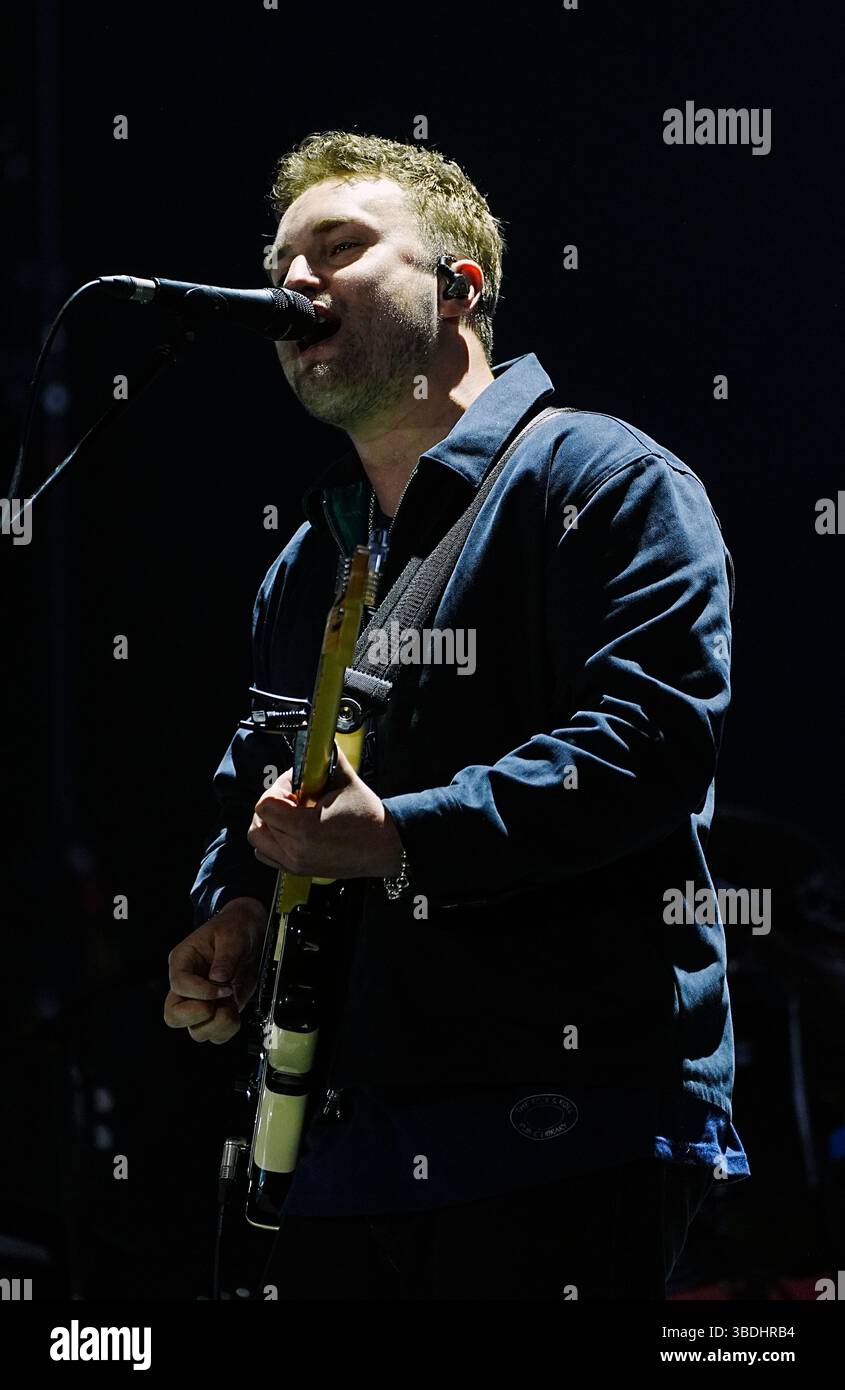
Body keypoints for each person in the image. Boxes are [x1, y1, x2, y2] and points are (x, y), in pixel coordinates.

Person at [164, 131, 749, 1300]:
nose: (293, 282)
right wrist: (230, 904)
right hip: (341, 1155)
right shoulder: (306, 564)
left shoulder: (602, 480)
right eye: (281, 258)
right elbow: (258, 780)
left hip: (559, 1134)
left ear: (457, 288)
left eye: (338, 247)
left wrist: (401, 834)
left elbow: (647, 747)